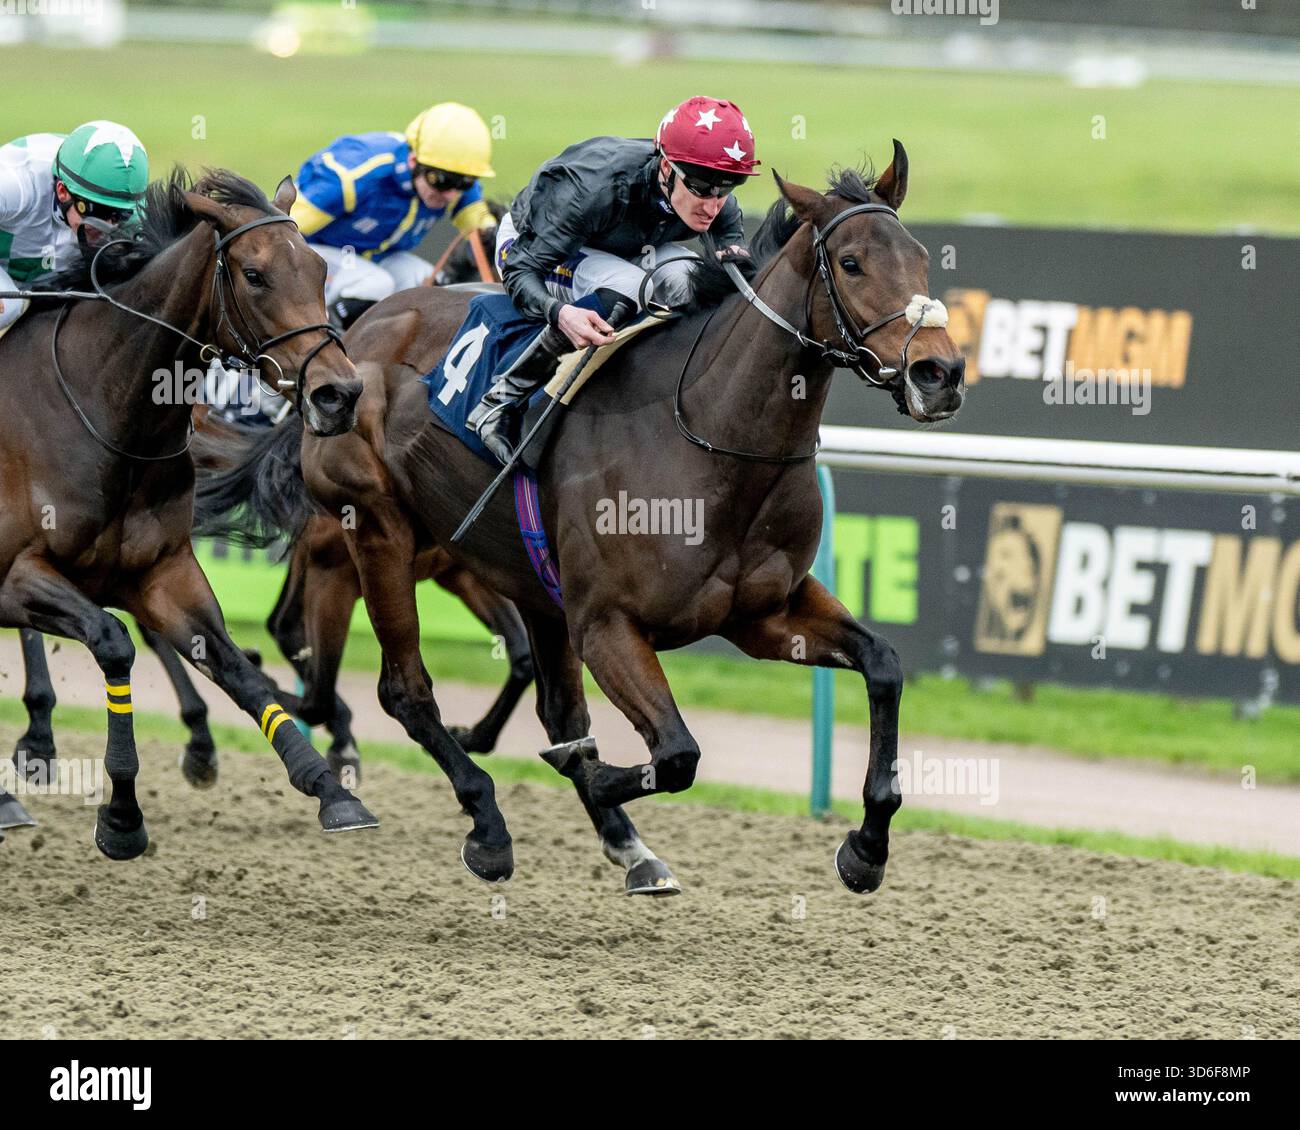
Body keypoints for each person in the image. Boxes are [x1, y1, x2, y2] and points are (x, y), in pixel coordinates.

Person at [467, 95, 759, 465]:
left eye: (729, 186)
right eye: (702, 187)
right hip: (532, 246)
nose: (713, 204)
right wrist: (561, 314)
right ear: (666, 169)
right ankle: (501, 400)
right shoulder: (591, 189)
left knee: (691, 280)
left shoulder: (714, 199)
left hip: (618, 247)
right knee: (627, 285)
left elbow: (738, 275)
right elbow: (520, 270)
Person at [291, 101, 498, 328]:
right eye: (442, 180)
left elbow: (484, 233)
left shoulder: (454, 186)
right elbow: (281, 232)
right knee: (374, 283)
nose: (451, 194)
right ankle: (323, 341)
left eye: (465, 182)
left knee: (432, 286)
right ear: (413, 161)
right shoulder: (354, 176)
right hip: (309, 253)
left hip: (376, 258)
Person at [0, 120, 148, 340]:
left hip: (45, 275)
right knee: (9, 305)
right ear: (62, 191)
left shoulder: (135, 215)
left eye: (118, 215)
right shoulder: (15, 183)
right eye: (96, 211)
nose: (106, 226)